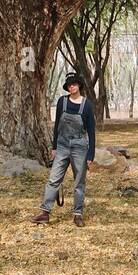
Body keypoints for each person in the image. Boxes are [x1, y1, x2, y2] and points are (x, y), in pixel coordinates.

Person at [32, 72, 95, 227]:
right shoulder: (62, 102)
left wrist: (90, 154)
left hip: (80, 148)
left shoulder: (86, 105)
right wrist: (54, 147)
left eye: (73, 84)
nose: (71, 86)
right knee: (53, 179)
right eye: (68, 85)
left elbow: (91, 131)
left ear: (79, 85)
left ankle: (78, 214)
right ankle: (45, 212)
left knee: (79, 182)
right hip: (62, 146)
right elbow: (57, 126)